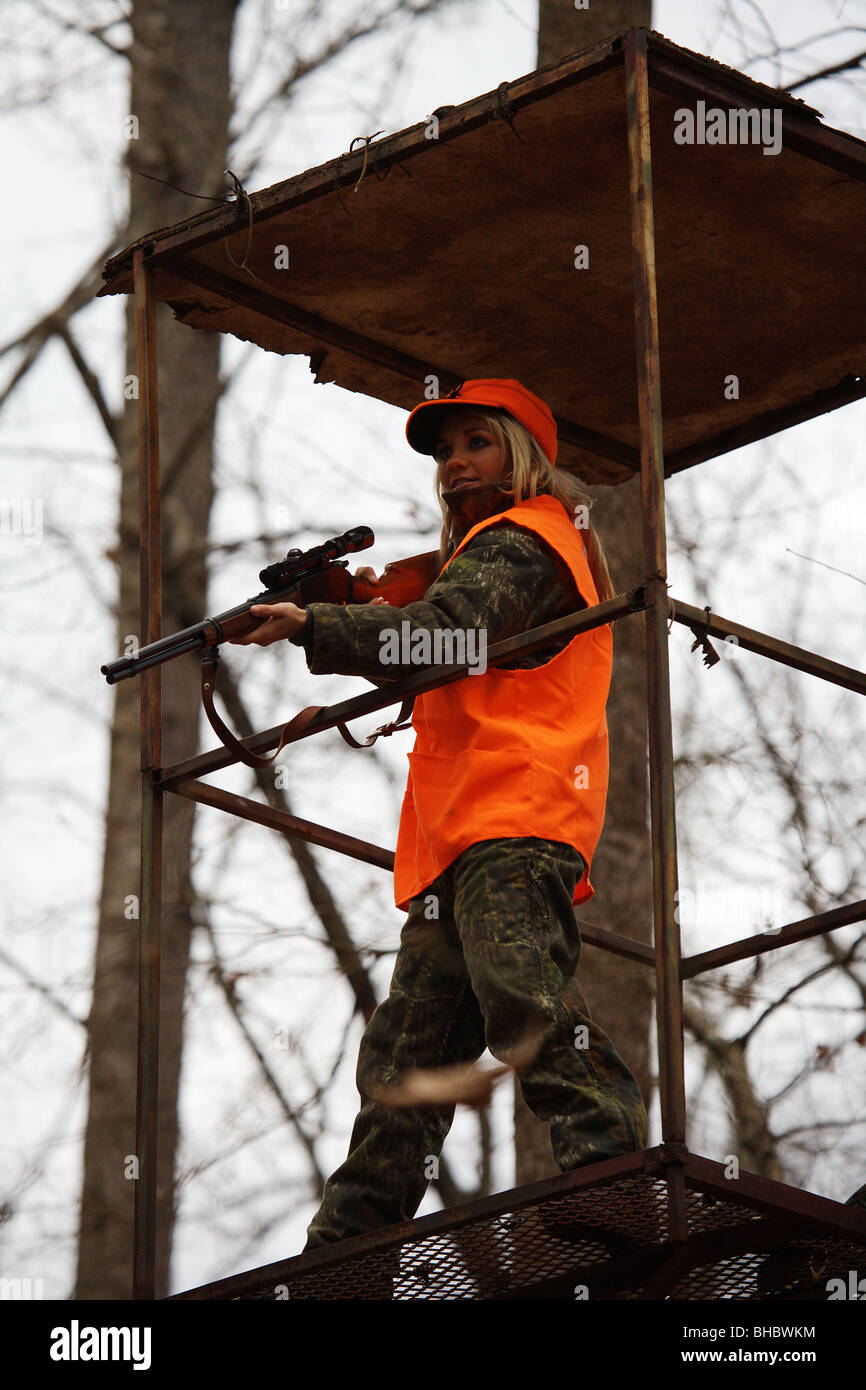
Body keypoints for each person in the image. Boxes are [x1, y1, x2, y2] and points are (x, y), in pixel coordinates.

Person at [231, 378, 649, 1251]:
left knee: (519, 989)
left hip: (516, 813)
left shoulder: (531, 539)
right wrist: (337, 612)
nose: (456, 465)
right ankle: (344, 1254)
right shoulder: (472, 559)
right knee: (406, 1062)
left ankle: (609, 1175)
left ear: (524, 455)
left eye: (477, 444)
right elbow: (431, 634)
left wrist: (316, 624)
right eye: (446, 452)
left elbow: (444, 635)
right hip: (449, 842)